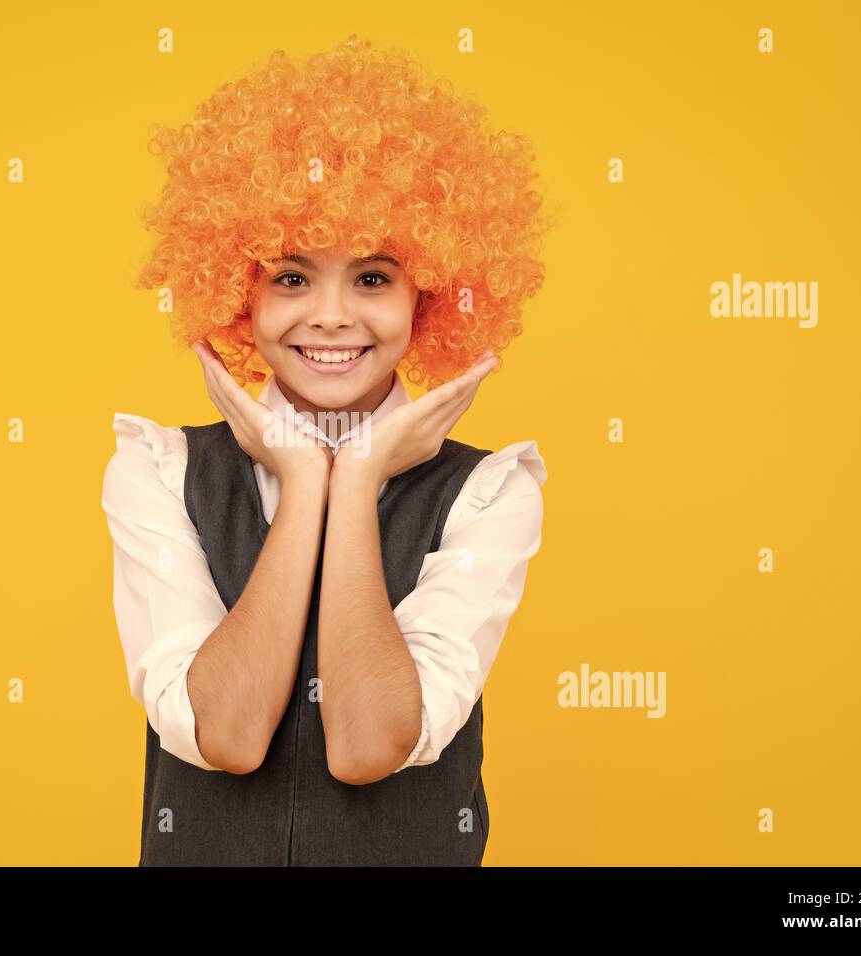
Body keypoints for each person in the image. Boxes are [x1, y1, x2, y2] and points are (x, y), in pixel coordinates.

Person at [102, 35, 550, 865]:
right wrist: (306, 477)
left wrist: (360, 480)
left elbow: (368, 743)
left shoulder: (491, 492)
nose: (334, 316)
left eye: (374, 278)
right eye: (293, 277)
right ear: (240, 289)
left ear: (430, 293)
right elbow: (225, 735)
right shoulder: (156, 471)